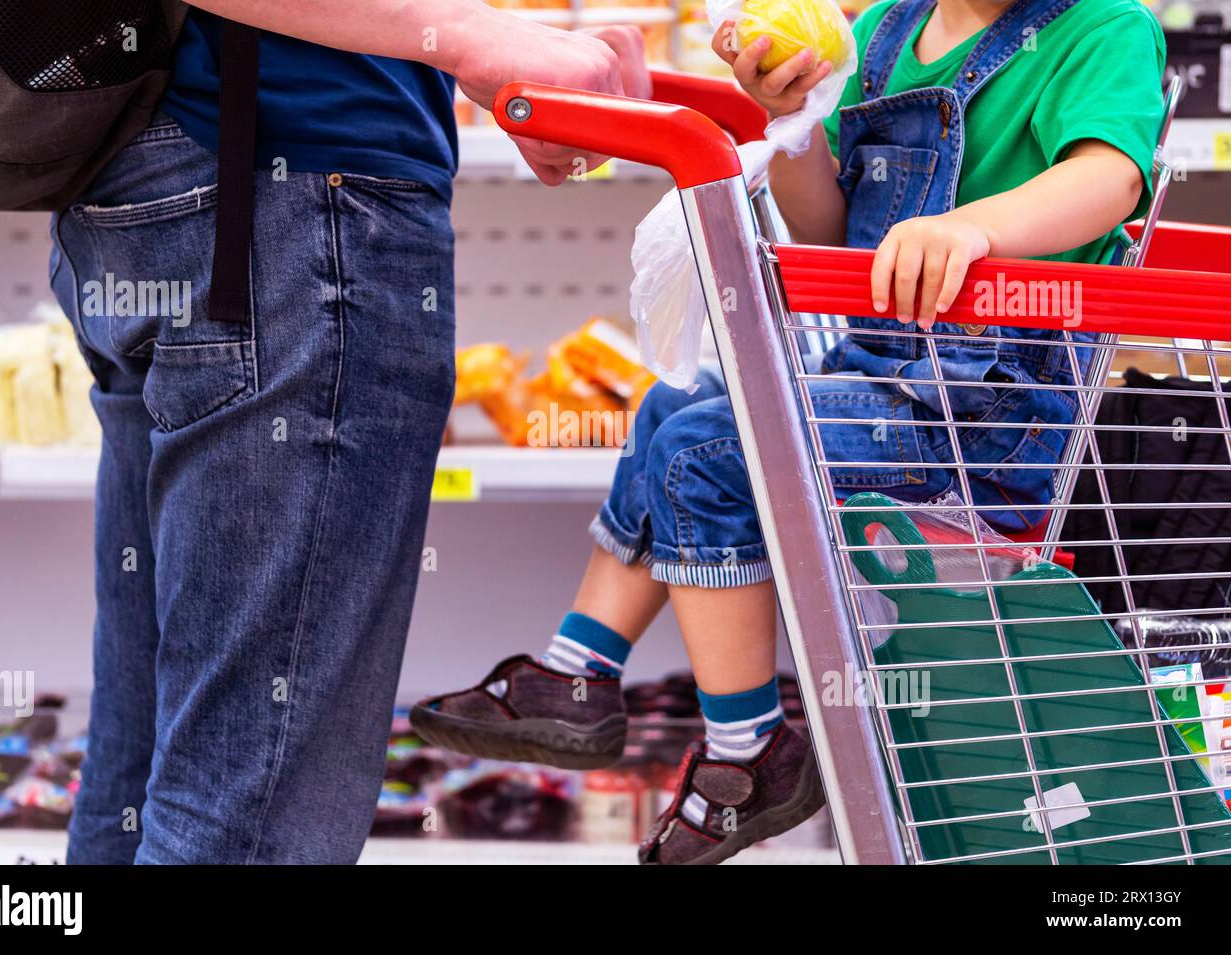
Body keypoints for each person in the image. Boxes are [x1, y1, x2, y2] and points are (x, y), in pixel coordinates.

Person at [410, 0, 1166, 865]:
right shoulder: (881, 28)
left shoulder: (1104, 27)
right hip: (876, 378)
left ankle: (748, 753)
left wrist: (974, 229)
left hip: (990, 414)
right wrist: (792, 118)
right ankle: (578, 674)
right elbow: (833, 232)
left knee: (708, 453)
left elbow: (1111, 176)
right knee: (673, 400)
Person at [50, 0, 650, 864]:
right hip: (288, 198)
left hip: (163, 187)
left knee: (150, 773)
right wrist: (476, 39)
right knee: (246, 825)